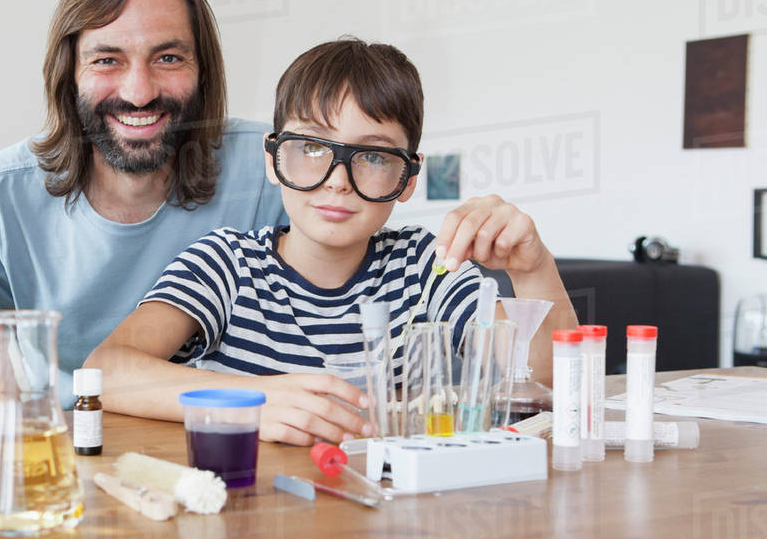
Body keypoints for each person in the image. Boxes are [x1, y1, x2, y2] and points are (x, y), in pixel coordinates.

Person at [86, 38, 578, 445]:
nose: (338, 180)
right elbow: (107, 371)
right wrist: (253, 401)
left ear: (408, 178)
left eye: (373, 157)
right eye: (312, 148)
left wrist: (533, 269)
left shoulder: (425, 267)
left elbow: (548, 382)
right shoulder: (226, 264)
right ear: (272, 159)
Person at [0, 0, 286, 404]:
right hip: (64, 447)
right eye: (107, 60)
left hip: (230, 440)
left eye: (167, 57)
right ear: (69, 74)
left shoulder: (271, 168)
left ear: (204, 72)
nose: (139, 92)